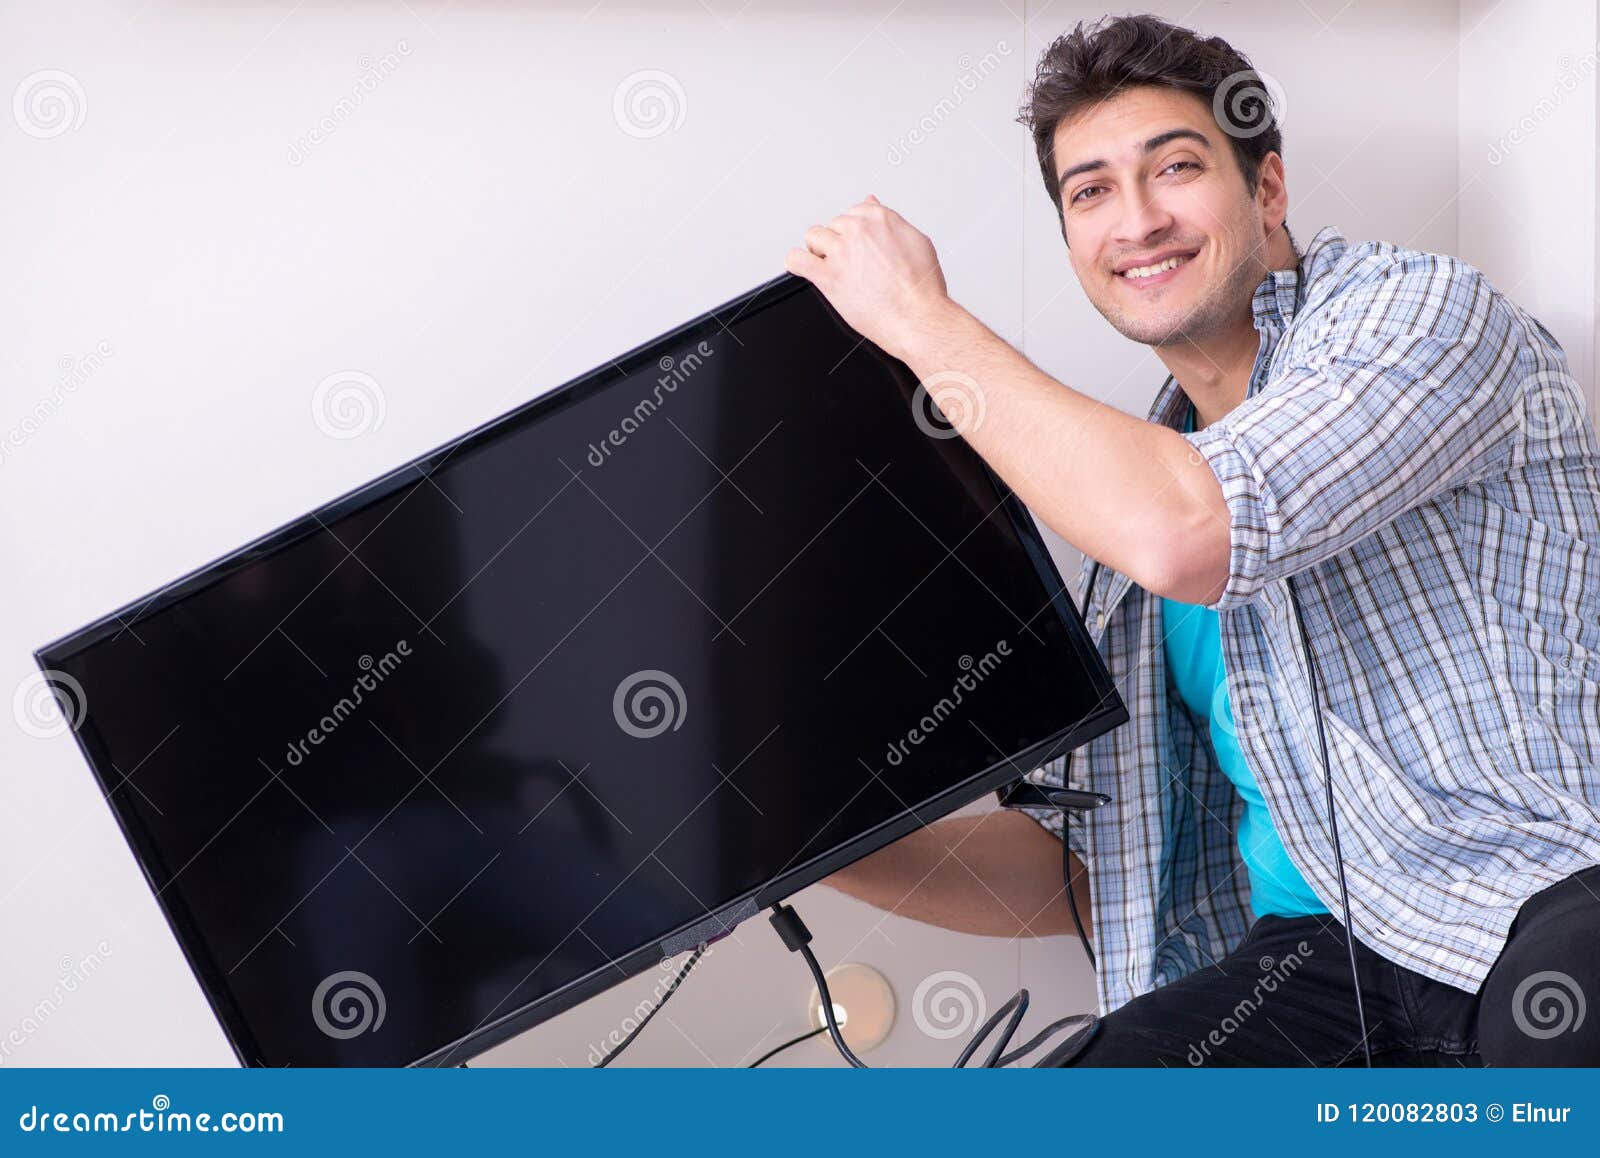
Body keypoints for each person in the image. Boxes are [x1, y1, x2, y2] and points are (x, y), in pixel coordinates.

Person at [785, 13, 1600, 1066]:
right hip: (1324, 963)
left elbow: (1193, 527)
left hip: (1540, 887)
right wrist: (799, 848)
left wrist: (916, 317)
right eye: (1089, 192)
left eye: (1173, 167)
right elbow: (1092, 865)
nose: (1137, 221)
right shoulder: (1129, 503)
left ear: (1266, 191)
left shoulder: (1420, 315)